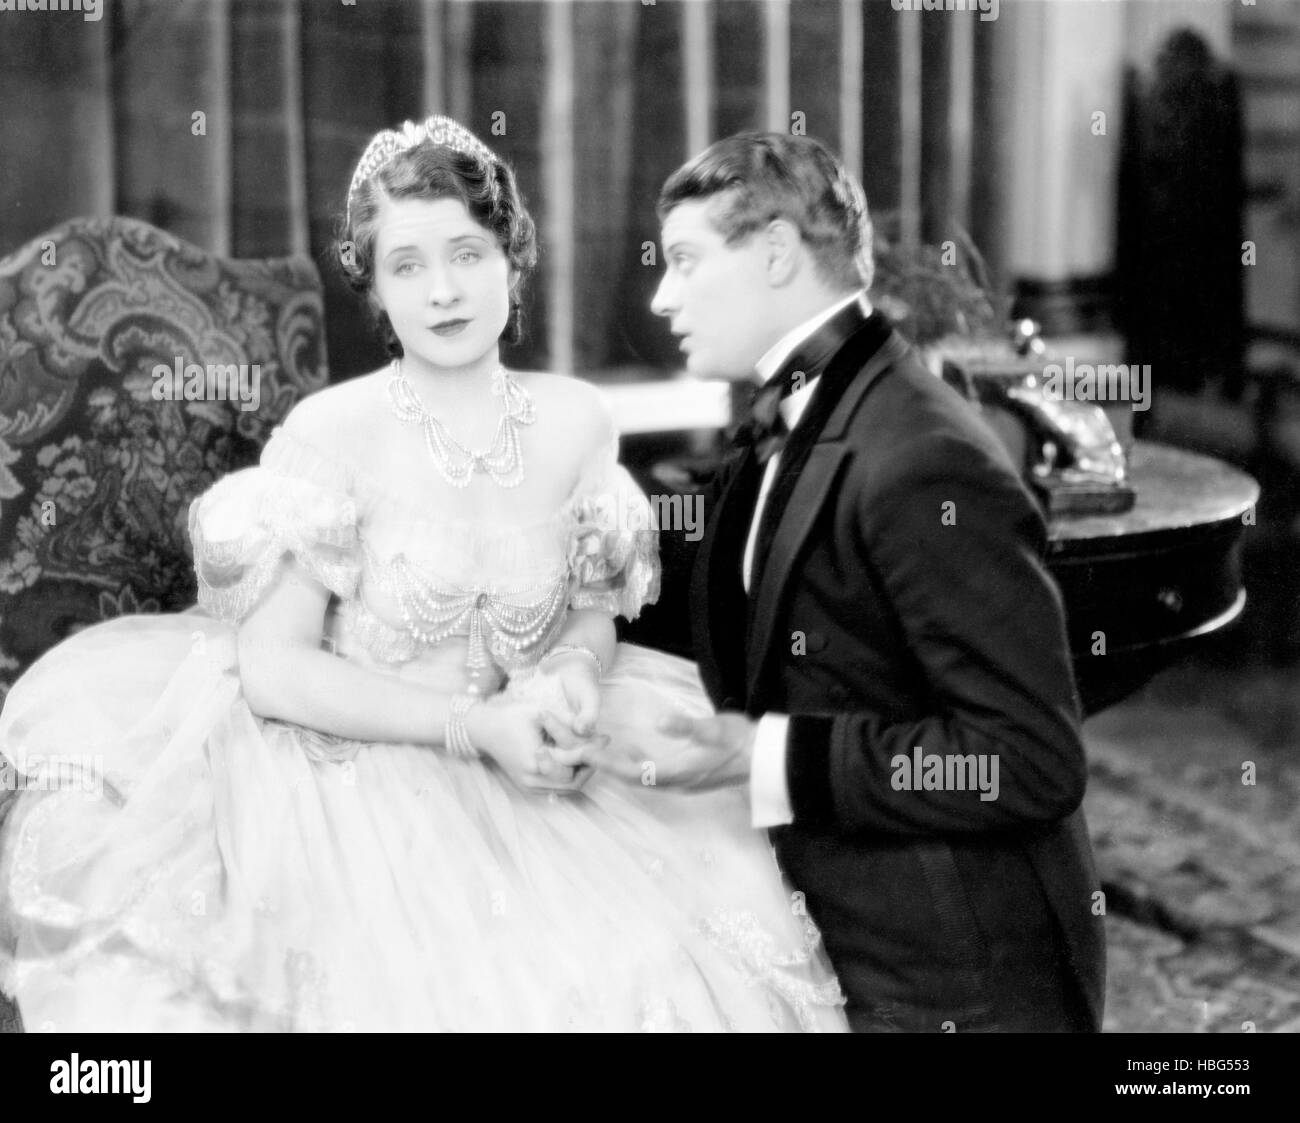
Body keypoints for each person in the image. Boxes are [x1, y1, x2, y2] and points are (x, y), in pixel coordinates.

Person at [0, 117, 847, 1032]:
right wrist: (471, 725)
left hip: (539, 770)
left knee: (679, 948)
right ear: (374, 285)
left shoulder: (577, 423)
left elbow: (593, 610)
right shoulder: (330, 433)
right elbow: (274, 667)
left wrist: (570, 671)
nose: (443, 290)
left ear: (511, 260)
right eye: (408, 264)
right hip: (352, 771)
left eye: (467, 253)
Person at [597, 132, 1106, 1032]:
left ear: (778, 254)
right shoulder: (802, 410)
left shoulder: (924, 459)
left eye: (685, 262)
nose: (661, 294)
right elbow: (752, 605)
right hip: (841, 925)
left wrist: (764, 755)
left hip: (959, 977)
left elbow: (1028, 757)